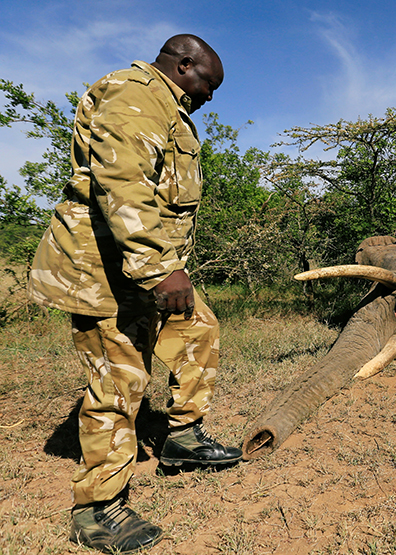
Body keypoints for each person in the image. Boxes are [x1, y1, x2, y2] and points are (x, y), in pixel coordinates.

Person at [27, 34, 242, 553]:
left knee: (200, 332)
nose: (209, 97)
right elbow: (124, 183)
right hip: (104, 272)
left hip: (142, 270)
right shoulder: (135, 93)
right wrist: (159, 268)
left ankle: (181, 438)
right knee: (119, 382)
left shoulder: (168, 107)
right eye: (207, 83)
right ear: (183, 63)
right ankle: (98, 509)